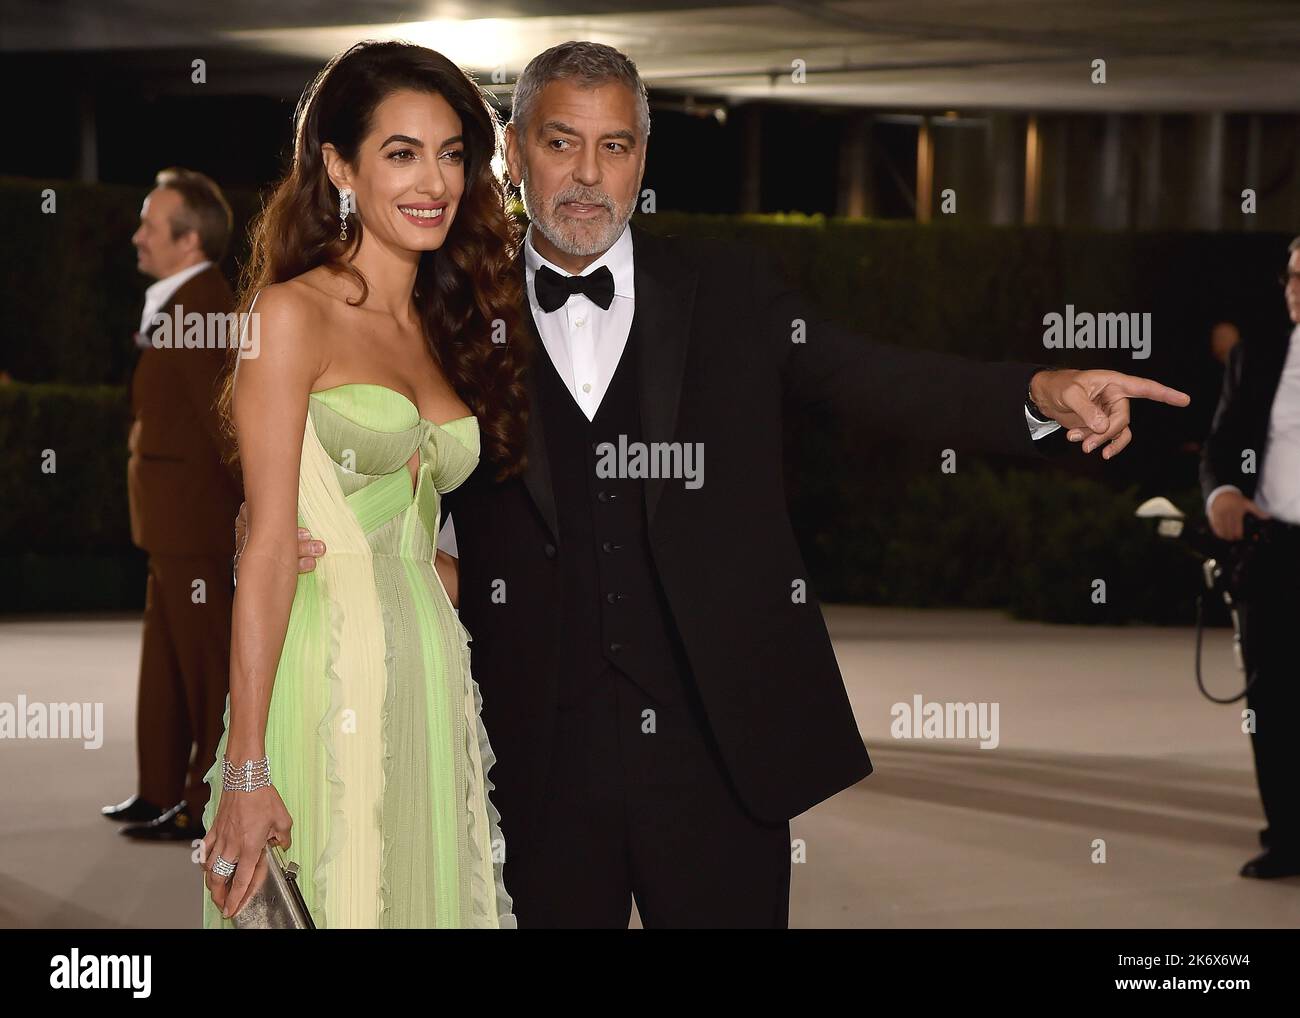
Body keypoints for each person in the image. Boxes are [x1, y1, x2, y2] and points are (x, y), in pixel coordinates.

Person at [283, 40, 1189, 928]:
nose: (590, 176)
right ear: (514, 153)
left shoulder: (728, 292)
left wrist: (1037, 394)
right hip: (529, 754)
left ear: (644, 157)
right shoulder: (447, 305)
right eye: (561, 143)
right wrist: (291, 517)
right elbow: (346, 431)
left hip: (717, 748)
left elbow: (877, 377)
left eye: (616, 145)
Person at [199, 41, 525, 928]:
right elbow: (267, 544)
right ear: (339, 165)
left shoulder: (455, 321)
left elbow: (427, 556)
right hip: (320, 670)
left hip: (432, 679)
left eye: (454, 152)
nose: (436, 181)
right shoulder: (288, 314)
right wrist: (247, 768)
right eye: (402, 152)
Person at [105, 167, 242, 842]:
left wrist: (252, 514)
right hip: (170, 524)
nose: (136, 237)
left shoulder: (202, 307)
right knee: (165, 661)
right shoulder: (182, 301)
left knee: (207, 664)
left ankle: (206, 800)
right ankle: (158, 787)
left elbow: (228, 424)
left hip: (197, 524)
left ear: (188, 241)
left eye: (150, 226)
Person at [1202, 235, 1300, 879]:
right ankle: (1289, 839)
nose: (1296, 286)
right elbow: (1223, 442)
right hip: (1279, 549)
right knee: (1275, 699)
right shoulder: (1260, 355)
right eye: (1293, 274)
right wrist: (1225, 494)